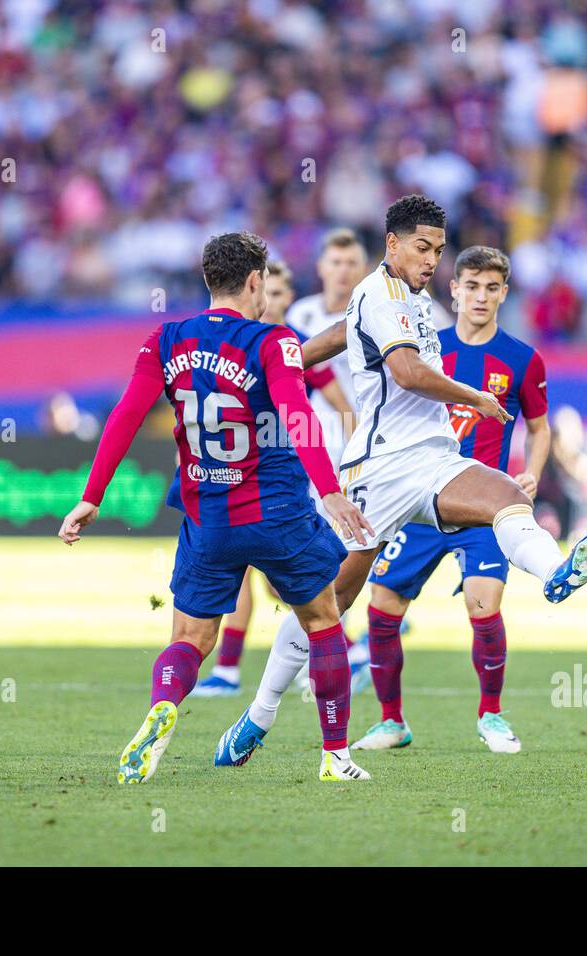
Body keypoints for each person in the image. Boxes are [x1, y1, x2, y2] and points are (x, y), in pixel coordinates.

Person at [215, 195, 587, 768]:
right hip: (378, 468)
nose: (432, 261)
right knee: (328, 601)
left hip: (432, 459)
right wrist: (474, 395)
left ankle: (556, 573)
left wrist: (288, 359)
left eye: (438, 251)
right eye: (422, 248)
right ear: (392, 244)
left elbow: (337, 337)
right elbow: (404, 371)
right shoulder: (379, 292)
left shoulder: (410, 301)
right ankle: (259, 714)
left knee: (503, 494)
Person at [59, 232, 374, 784]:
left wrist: (91, 496)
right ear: (256, 281)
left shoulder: (165, 339)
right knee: (324, 623)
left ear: (208, 281)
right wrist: (328, 490)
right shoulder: (272, 342)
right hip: (278, 516)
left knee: (189, 642)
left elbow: (124, 417)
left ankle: (164, 707)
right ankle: (335, 757)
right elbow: (298, 417)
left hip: (209, 519)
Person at [354, 245, 548, 755]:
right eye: (471, 286)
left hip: (480, 505)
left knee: (485, 603)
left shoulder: (522, 359)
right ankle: (391, 721)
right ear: (454, 290)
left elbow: (540, 426)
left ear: (504, 293)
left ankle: (492, 715)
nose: (480, 297)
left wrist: (532, 472)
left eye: (491, 288)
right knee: (382, 605)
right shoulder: (425, 350)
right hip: (419, 498)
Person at [194, 257, 363, 697]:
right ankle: (231, 669)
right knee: (256, 573)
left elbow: (339, 406)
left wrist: (352, 460)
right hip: (240, 473)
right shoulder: (232, 346)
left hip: (285, 476)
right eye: (271, 286)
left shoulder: (298, 346)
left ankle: (342, 645)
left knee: (273, 580)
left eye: (282, 289)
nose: (273, 295)